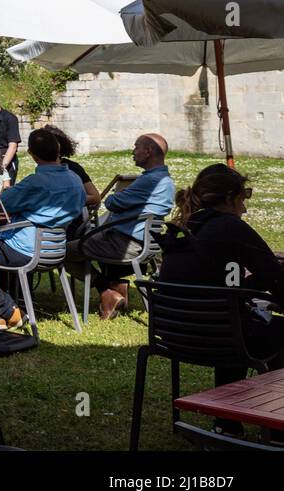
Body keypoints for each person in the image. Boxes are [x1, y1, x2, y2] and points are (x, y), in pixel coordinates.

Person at [157, 164, 284, 429]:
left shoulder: (180, 227)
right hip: (221, 338)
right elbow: (276, 276)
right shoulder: (228, 226)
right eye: (242, 199)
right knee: (266, 330)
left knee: (238, 320)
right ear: (229, 198)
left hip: (172, 335)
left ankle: (227, 424)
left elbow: (210, 279)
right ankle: (275, 428)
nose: (245, 209)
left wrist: (252, 285)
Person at [0, 129, 85, 328]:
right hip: (57, 248)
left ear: (32, 154)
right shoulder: (75, 181)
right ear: (58, 150)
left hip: (25, 249)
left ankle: (10, 311)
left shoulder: (35, 182)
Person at [84, 133, 175, 319]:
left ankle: (108, 292)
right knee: (95, 236)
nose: (133, 152)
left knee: (68, 250)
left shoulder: (148, 181)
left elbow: (111, 203)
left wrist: (117, 197)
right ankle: (116, 284)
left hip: (126, 245)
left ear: (148, 151)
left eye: (136, 147)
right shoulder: (165, 181)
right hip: (146, 245)